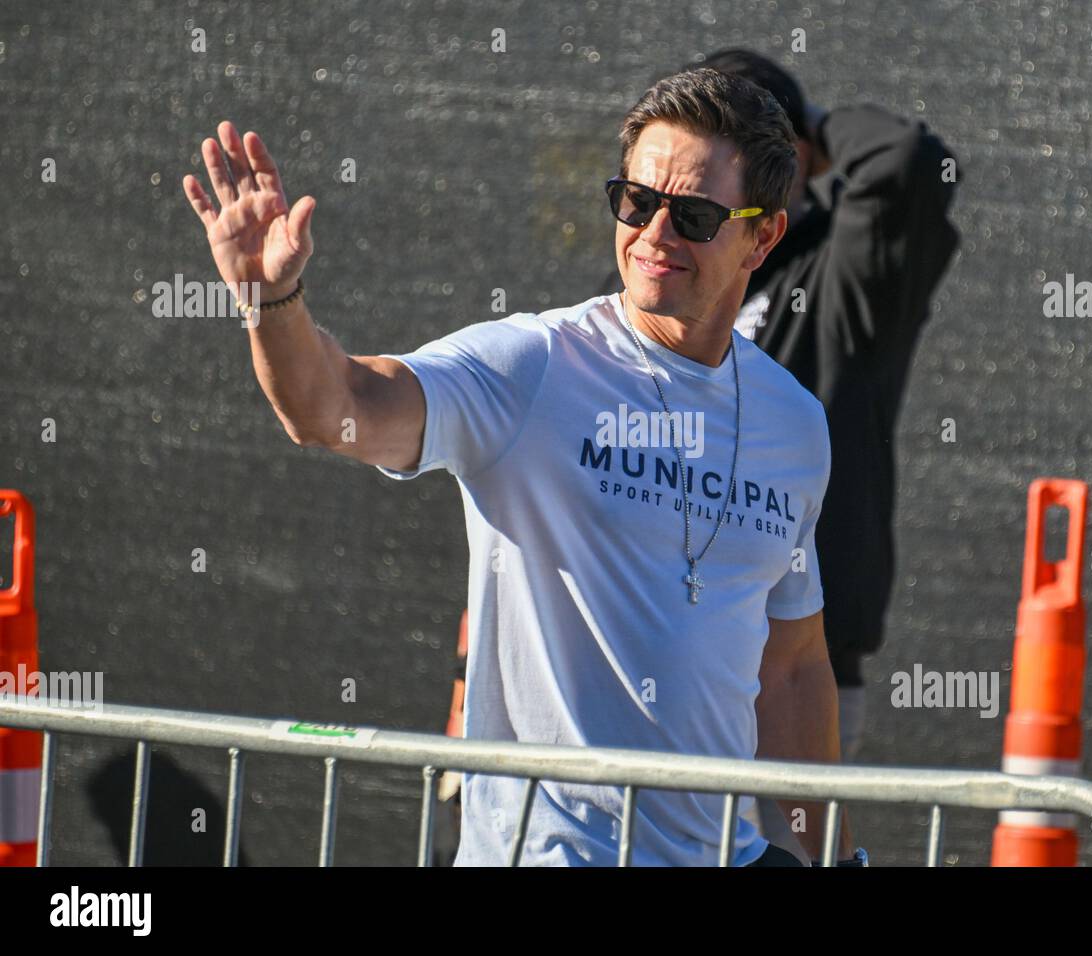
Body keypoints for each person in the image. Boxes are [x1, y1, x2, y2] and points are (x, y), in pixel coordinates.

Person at [182, 67, 867, 866]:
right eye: (636, 202)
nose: (653, 236)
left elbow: (789, 670)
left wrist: (835, 858)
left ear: (764, 236)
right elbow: (336, 410)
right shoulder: (535, 366)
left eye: (694, 215)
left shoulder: (794, 424)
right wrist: (274, 301)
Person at [589, 49, 962, 863]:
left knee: (792, 855)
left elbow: (907, 165)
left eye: (700, 210)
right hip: (658, 668)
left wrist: (811, 131)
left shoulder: (843, 274)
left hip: (795, 671)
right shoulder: (654, 281)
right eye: (650, 203)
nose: (667, 226)